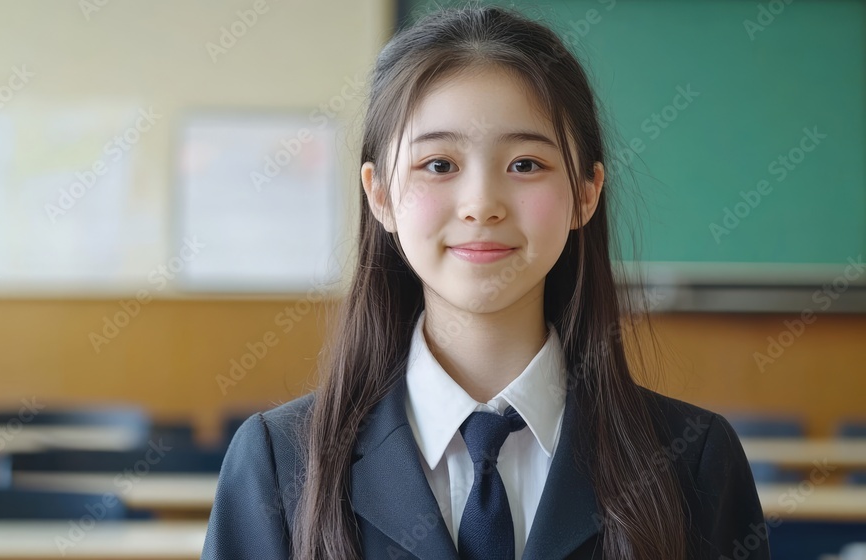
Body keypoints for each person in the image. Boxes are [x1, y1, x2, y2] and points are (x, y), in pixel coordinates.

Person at [203, 5, 769, 560]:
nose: (481, 204)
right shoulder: (280, 462)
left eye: (525, 164)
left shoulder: (693, 460)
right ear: (380, 195)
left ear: (586, 193)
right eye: (439, 165)